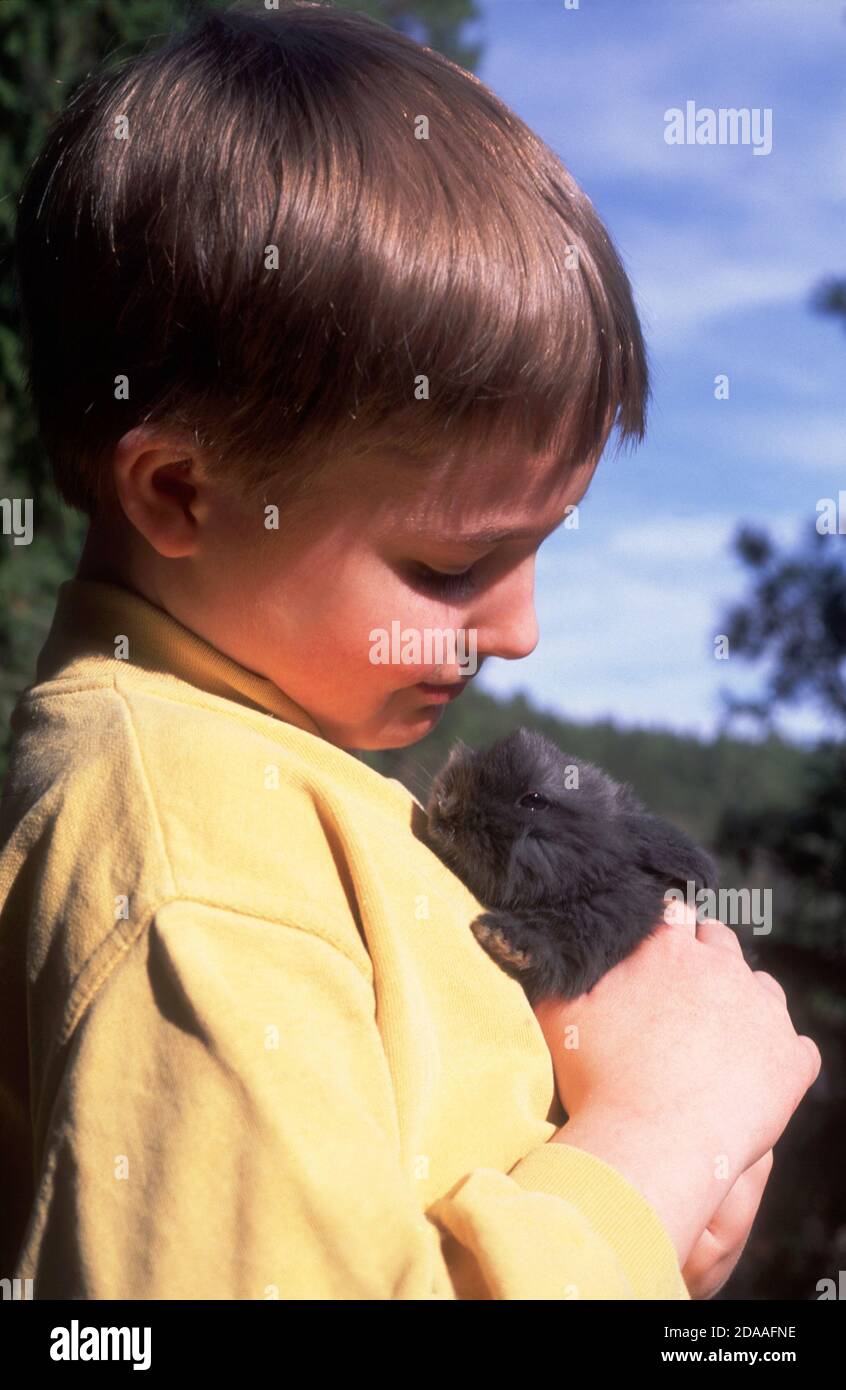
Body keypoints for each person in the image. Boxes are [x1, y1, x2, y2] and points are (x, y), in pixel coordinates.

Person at [0, 0, 820, 1300]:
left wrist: (638, 1221)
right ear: (177, 494)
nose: (519, 630)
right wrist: (649, 1151)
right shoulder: (197, 849)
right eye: (450, 565)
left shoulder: (274, 798)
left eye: (542, 543)